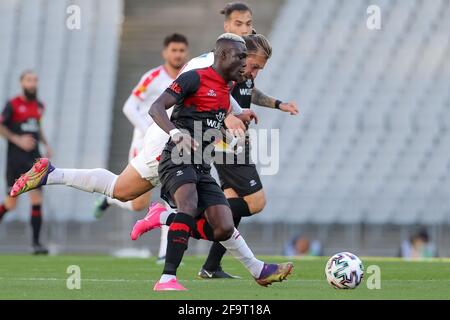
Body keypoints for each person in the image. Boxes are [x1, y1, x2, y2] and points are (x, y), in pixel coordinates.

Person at [10, 34, 293, 291]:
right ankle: (172, 264)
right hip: (169, 140)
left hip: (192, 143)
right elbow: (172, 102)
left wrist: (238, 112)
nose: (252, 73)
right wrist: (199, 126)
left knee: (126, 192)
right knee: (143, 195)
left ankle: (54, 174)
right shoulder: (206, 65)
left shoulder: (230, 72)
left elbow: (219, 100)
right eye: (253, 66)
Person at [133, 2, 299, 279]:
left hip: (225, 139)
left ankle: (210, 265)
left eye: (249, 23)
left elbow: (250, 93)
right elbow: (206, 102)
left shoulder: (243, 75)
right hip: (220, 141)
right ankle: (169, 219)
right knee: (255, 201)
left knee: (228, 208)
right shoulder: (223, 71)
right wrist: (227, 119)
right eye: (254, 66)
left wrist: (277, 104)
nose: (254, 72)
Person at [92, 33, 189, 263]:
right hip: (145, 143)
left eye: (181, 50)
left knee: (172, 195)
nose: (178, 54)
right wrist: (149, 129)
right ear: (165, 52)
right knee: (138, 204)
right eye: (173, 50)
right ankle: (109, 199)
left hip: (172, 143)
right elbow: (129, 106)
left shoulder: (188, 76)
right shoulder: (153, 77)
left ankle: (166, 252)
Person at [0, 70, 52, 254]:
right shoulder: (13, 105)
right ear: (22, 83)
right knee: (10, 204)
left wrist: (46, 144)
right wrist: (18, 139)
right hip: (15, 160)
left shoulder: (39, 106)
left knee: (37, 197)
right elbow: (1, 126)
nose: (32, 84)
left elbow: (38, 126)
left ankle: (36, 244)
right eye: (29, 80)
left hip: (33, 159)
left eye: (35, 80)